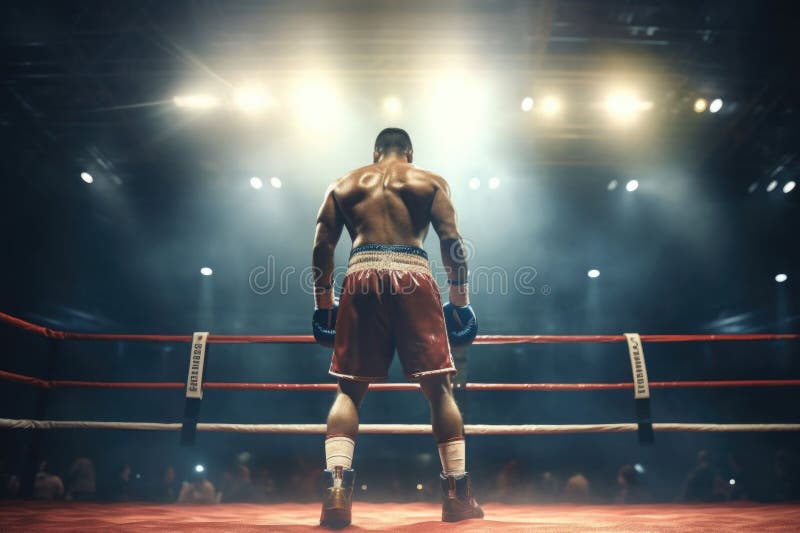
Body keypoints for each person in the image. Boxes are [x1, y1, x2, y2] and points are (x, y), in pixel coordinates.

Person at [311, 128, 482, 528]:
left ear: (375, 153)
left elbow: (322, 245)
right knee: (439, 386)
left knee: (349, 389)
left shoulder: (343, 183)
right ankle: (457, 494)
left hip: (361, 272)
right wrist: (459, 301)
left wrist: (324, 305)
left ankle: (336, 490)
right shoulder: (430, 181)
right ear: (410, 152)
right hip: (413, 273)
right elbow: (452, 240)